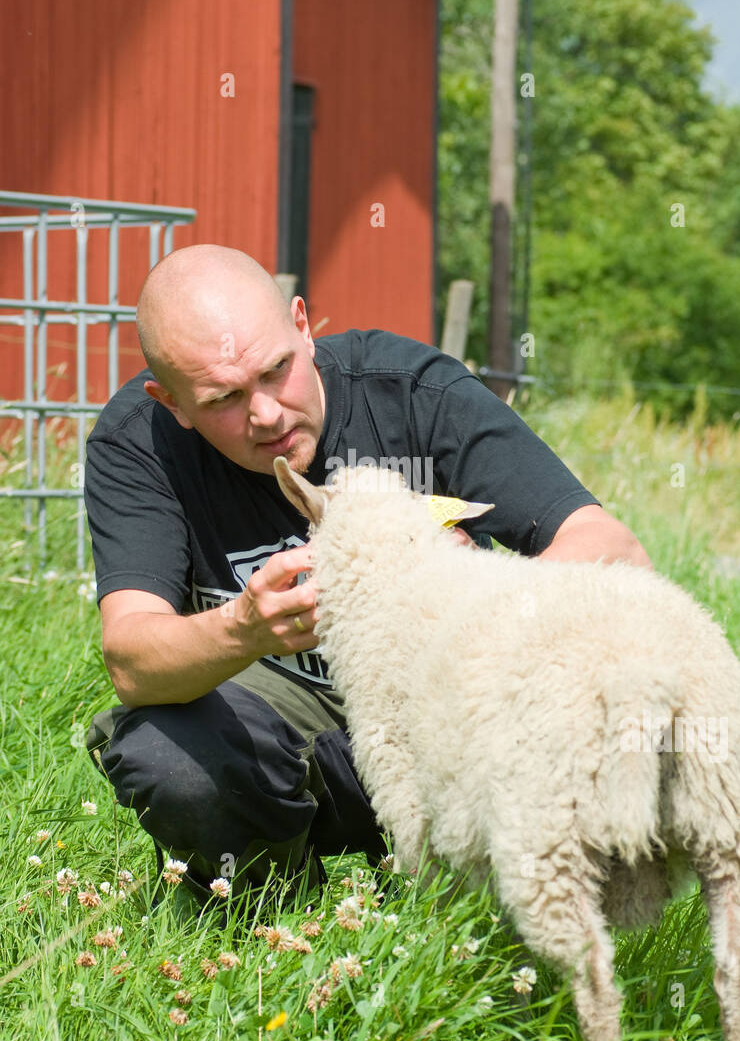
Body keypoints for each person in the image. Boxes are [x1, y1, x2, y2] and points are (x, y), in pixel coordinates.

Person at [83, 244, 651, 914]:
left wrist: (470, 597)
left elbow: (614, 551)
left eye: (276, 371)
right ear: (171, 402)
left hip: (445, 724)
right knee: (167, 754)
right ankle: (275, 925)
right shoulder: (138, 444)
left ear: (303, 323)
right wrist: (243, 629)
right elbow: (133, 658)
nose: (265, 414)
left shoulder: (414, 390)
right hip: (283, 739)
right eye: (225, 399)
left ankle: (493, 931)